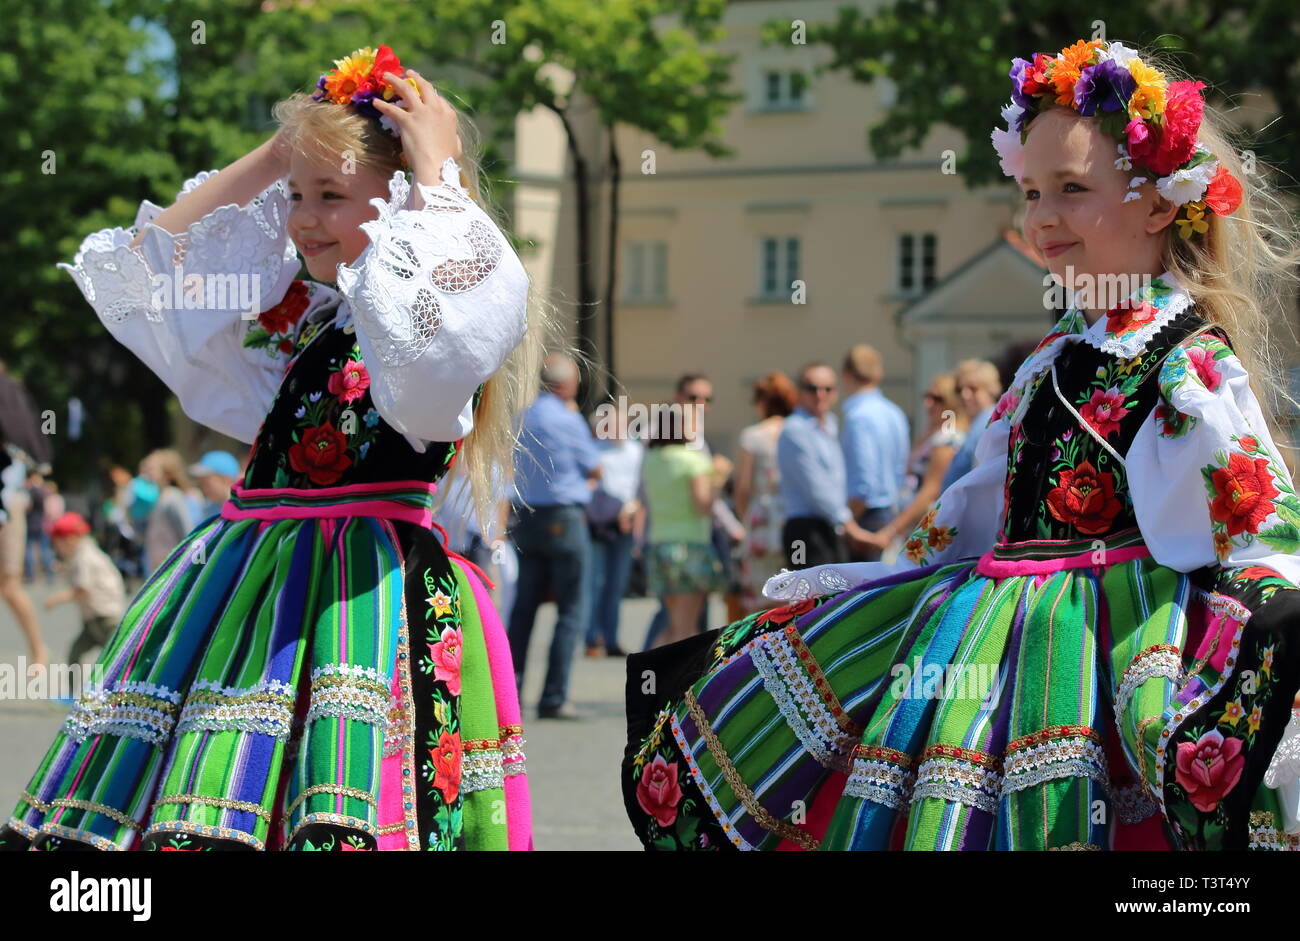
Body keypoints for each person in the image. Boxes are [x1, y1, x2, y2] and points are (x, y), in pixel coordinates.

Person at [622, 39, 1300, 851]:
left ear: (1160, 203)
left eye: (1073, 190)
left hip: (1105, 647)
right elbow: (974, 514)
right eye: (1031, 191)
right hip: (986, 636)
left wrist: (1268, 629)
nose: (1042, 216)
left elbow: (1255, 523)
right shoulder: (1051, 358)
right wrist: (875, 586)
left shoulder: (1185, 361)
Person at [2, 44, 539, 852]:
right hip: (246, 585)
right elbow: (140, 276)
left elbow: (450, 326)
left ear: (400, 204)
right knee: (219, 811)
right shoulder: (307, 323)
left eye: (330, 195)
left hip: (360, 598)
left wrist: (437, 169)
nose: (303, 217)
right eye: (297, 196)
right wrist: (275, 153)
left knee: (337, 807)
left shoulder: (422, 339)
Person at [508, 354, 601, 720]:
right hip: (564, 516)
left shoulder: (523, 416)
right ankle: (554, 695)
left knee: (523, 610)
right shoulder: (568, 419)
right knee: (570, 610)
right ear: (566, 385)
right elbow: (594, 466)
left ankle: (511, 691)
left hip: (526, 516)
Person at [855, 372, 968, 558]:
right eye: (927, 396)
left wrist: (890, 530)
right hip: (913, 525)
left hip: (924, 528)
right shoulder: (933, 433)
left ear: (951, 403)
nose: (928, 403)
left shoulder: (947, 438)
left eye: (937, 398)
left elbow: (929, 492)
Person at [641, 406, 727, 648]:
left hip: (659, 544)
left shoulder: (652, 459)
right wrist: (718, 479)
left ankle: (653, 679)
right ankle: (673, 684)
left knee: (674, 624)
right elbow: (703, 506)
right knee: (687, 629)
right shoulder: (693, 460)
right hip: (690, 547)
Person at [775, 363, 874, 569]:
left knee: (833, 596)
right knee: (808, 597)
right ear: (800, 391)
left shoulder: (829, 423)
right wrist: (850, 526)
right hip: (803, 531)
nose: (820, 395)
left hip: (829, 526)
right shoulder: (795, 429)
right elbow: (816, 487)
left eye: (827, 389)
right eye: (812, 388)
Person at [840, 346, 911, 562]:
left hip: (867, 516)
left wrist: (847, 523)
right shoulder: (895, 412)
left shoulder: (857, 417)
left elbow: (864, 482)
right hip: (892, 512)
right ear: (878, 375)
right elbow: (902, 469)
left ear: (846, 376)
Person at [733, 373, 797, 613]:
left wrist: (745, 518)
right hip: (792, 518)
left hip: (762, 519)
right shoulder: (798, 431)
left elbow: (743, 488)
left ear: (762, 402)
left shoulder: (753, 435)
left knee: (760, 600)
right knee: (790, 593)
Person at [584, 408, 645, 657]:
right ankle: (592, 637)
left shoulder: (637, 451)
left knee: (617, 583)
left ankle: (610, 637)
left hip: (625, 522)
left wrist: (630, 511)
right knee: (595, 581)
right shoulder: (594, 450)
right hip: (599, 522)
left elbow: (641, 488)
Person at [44, 512, 127, 667]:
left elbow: (83, 589)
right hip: (93, 619)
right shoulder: (83, 553)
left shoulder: (85, 556)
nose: (57, 550)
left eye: (58, 545)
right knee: (75, 654)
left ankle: (120, 688)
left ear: (70, 540)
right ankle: (73, 690)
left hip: (105, 617)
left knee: (113, 659)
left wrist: (56, 600)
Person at [941, 359, 1004, 489]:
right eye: (959, 389)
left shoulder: (990, 423)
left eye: (973, 388)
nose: (965, 394)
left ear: (990, 390)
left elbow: (981, 482)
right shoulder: (982, 422)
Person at [138, 449, 197, 573]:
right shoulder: (158, 498)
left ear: (167, 473)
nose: (147, 472)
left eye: (152, 468)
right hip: (160, 569)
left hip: (173, 570)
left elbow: (187, 534)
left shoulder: (173, 498)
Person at [188, 450, 242, 520]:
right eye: (201, 483)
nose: (203, 488)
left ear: (226, 479)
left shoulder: (243, 510)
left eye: (206, 482)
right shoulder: (206, 511)